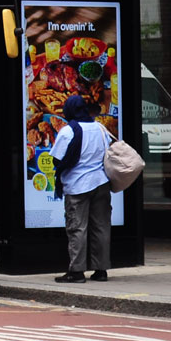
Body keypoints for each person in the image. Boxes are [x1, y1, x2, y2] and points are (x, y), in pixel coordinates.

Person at [51, 96, 113, 282]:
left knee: (77, 228)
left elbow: (57, 159)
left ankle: (77, 271)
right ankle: (101, 270)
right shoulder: (101, 128)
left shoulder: (68, 131)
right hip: (101, 183)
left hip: (78, 186)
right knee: (101, 227)